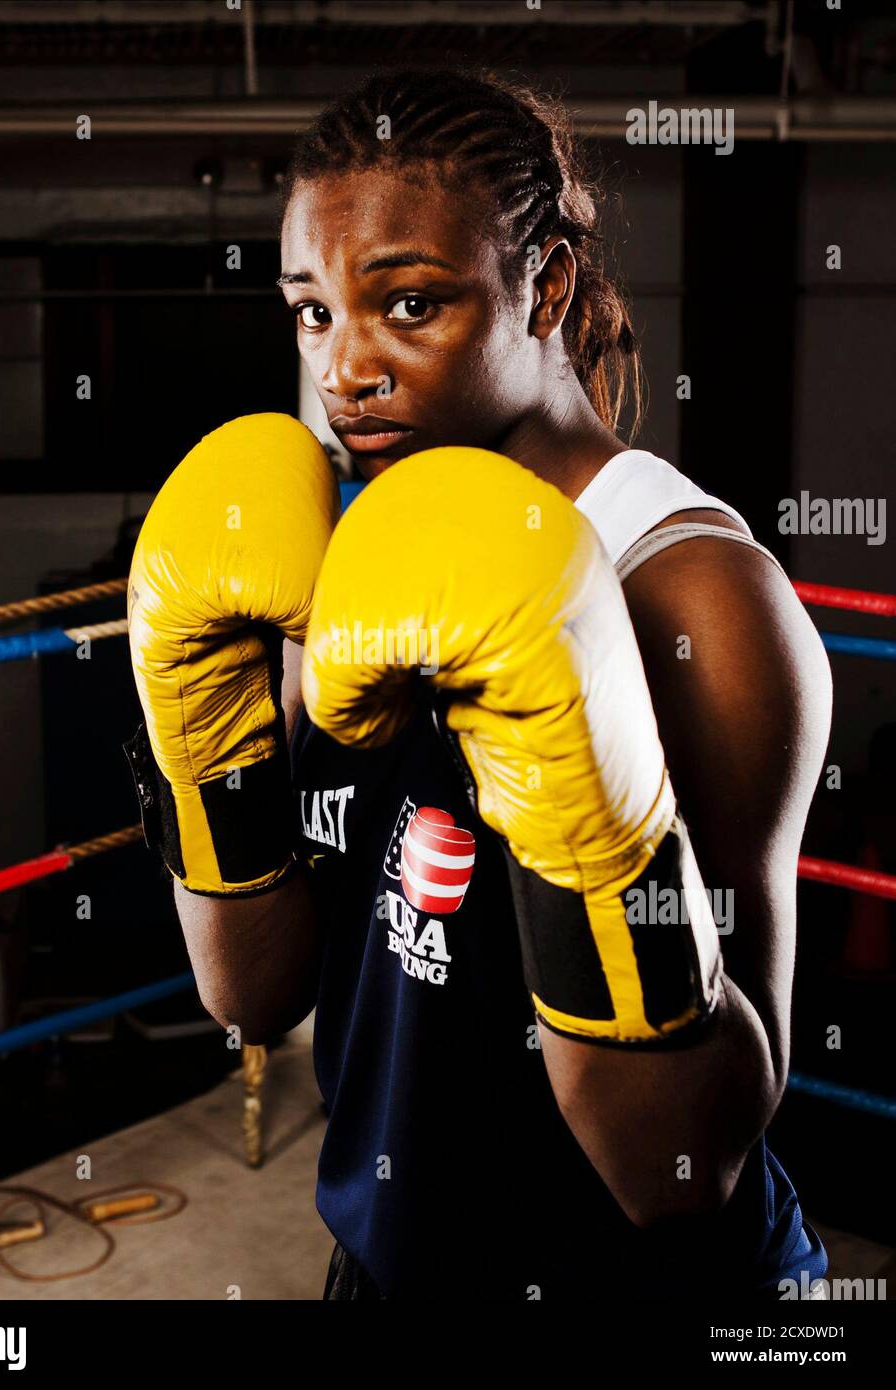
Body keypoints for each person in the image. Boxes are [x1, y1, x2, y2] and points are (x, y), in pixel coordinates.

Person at [126, 68, 833, 1301]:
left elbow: (681, 1163)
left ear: (545, 285)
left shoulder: (697, 603)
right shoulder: (333, 571)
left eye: (408, 303)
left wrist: (582, 812)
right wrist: (201, 746)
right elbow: (252, 992)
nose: (345, 368)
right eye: (312, 313)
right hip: (390, 1267)